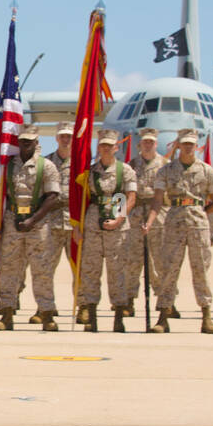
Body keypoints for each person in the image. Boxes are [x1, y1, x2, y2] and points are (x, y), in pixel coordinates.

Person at [146, 128, 213, 334]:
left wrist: (201, 212)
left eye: (191, 144)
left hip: (198, 224)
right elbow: (157, 199)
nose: (188, 147)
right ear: (177, 145)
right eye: (184, 143)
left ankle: (206, 316)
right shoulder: (166, 171)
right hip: (174, 222)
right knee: (169, 269)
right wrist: (150, 221)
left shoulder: (208, 171)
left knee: (201, 270)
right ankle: (163, 315)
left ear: (196, 146)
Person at [0, 125, 62, 330]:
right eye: (22, 140)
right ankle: (6, 312)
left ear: (36, 143)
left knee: (41, 269)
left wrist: (33, 220)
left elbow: (52, 197)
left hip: (38, 223)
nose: (25, 144)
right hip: (12, 220)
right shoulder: (8, 166)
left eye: (29, 141)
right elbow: (0, 196)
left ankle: (47, 313)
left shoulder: (46, 166)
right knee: (9, 269)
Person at [76, 130, 137, 332]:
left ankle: (118, 317)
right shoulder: (90, 171)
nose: (106, 148)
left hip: (117, 219)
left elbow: (130, 196)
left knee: (117, 271)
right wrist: (78, 226)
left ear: (116, 147)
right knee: (91, 270)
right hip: (94, 221)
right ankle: (91, 317)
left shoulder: (124, 170)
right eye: (102, 145)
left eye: (110, 145)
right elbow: (81, 198)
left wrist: (118, 219)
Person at [36, 122, 76, 324]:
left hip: (75, 222)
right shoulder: (46, 163)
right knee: (45, 268)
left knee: (82, 268)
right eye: (62, 136)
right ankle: (44, 307)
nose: (66, 139)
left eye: (69, 136)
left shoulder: (82, 163)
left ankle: (83, 307)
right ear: (56, 138)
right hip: (50, 222)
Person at [125, 128, 166, 318]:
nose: (148, 145)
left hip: (158, 217)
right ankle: (128, 300)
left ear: (156, 144)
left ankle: (165, 300)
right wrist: (117, 217)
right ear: (139, 145)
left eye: (151, 142)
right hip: (134, 217)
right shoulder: (131, 165)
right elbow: (122, 191)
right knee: (132, 261)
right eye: (145, 142)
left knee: (159, 261)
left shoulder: (165, 165)